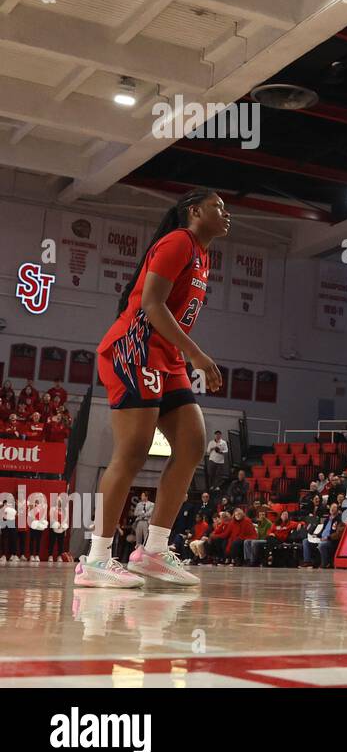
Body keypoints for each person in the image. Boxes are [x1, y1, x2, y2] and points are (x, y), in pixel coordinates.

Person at [78, 188, 227, 589]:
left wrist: (184, 356)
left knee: (192, 444)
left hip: (166, 357)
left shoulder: (203, 253)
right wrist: (197, 355)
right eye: (218, 207)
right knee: (133, 450)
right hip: (134, 346)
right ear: (194, 211)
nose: (226, 214)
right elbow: (151, 304)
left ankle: (154, 550)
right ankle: (96, 559)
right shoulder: (178, 241)